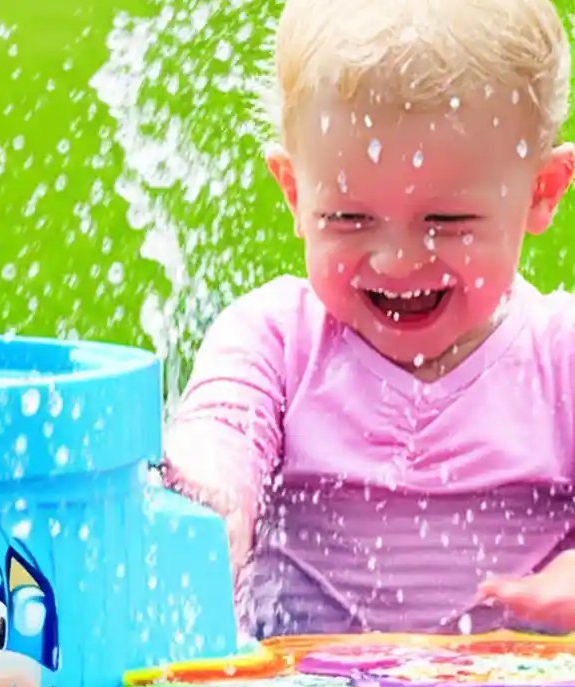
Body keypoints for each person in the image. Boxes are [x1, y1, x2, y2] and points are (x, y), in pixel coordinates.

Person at [164, 0, 575, 639]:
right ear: (296, 194)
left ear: (541, 192)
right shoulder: (274, 341)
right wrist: (206, 505)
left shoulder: (561, 358)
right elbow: (217, 441)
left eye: (448, 223)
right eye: (349, 219)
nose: (398, 258)